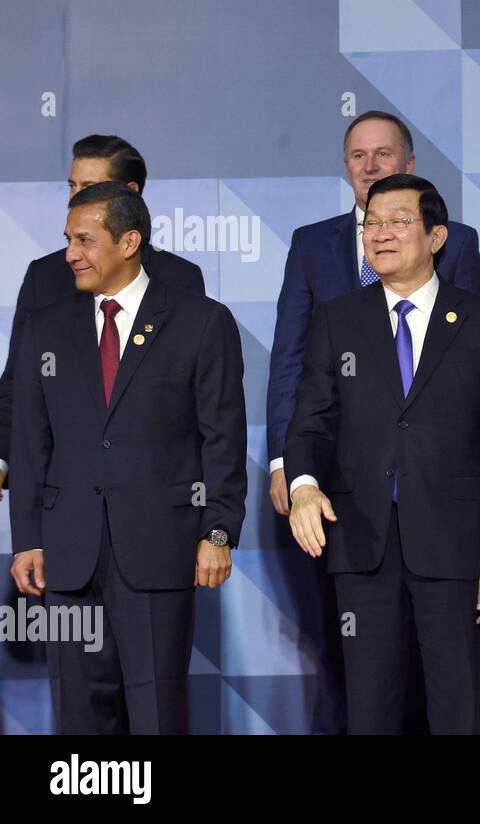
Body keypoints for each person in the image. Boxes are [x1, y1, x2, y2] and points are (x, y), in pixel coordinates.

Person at [285, 174, 480, 734]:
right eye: (372, 223)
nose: (381, 234)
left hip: (457, 545)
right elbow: (310, 423)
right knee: (369, 707)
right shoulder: (337, 319)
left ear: (437, 237)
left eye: (398, 222)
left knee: (458, 705)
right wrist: (303, 485)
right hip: (360, 538)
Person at [9, 182, 247, 734]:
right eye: (69, 240)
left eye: (85, 241)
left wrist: (217, 532)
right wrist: (28, 537)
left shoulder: (201, 322)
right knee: (77, 713)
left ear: (130, 241)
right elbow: (28, 442)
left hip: (160, 549)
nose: (70, 254)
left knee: (157, 711)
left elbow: (223, 439)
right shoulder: (46, 326)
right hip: (67, 554)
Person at [267, 110, 480, 515]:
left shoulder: (456, 242)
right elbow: (290, 359)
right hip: (336, 467)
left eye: (382, 154)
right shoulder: (310, 245)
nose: (369, 166)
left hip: (437, 469)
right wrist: (286, 461)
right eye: (358, 155)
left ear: (409, 164)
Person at [0, 135, 204, 494]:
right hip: (65, 495)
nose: (76, 197)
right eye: (72, 185)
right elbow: (18, 384)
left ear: (130, 194)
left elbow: (194, 402)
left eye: (90, 187)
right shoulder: (44, 277)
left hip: (152, 496)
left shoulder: (180, 280)